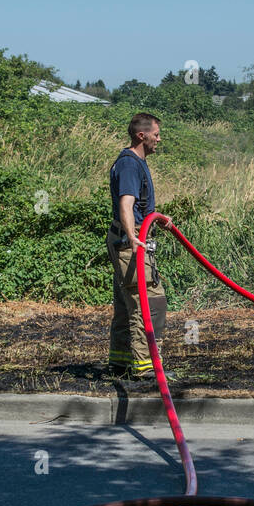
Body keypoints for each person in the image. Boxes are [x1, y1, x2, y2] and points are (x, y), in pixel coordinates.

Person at [107, 112, 174, 386]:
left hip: (128, 239)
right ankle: (145, 368)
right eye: (156, 135)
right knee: (150, 303)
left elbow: (137, 204)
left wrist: (157, 219)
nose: (159, 139)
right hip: (130, 243)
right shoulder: (130, 165)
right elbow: (126, 203)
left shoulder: (134, 162)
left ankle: (121, 361)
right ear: (141, 136)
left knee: (126, 303)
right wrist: (134, 236)